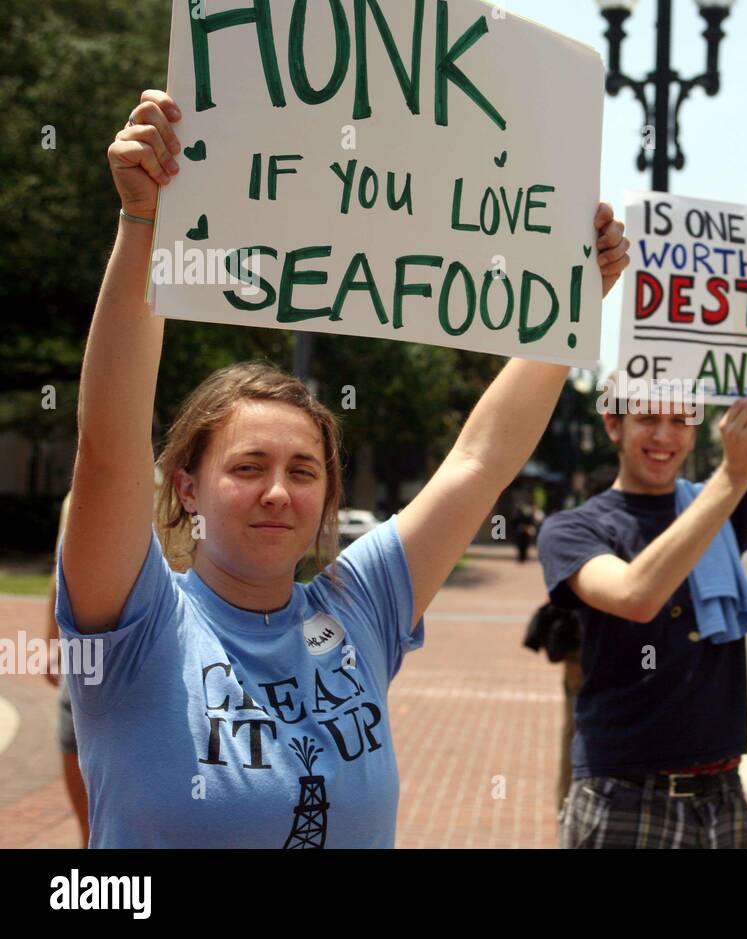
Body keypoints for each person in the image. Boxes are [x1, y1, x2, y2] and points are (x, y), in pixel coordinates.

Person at [55, 88, 629, 848]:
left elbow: (479, 461)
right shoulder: (138, 621)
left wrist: (572, 298)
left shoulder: (357, 608)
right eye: (248, 465)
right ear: (187, 485)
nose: (277, 491)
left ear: (328, 495)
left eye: (303, 470)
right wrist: (145, 225)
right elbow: (108, 444)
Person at [537, 200, 747, 849]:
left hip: (721, 799)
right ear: (614, 422)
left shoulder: (713, 502)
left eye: (681, 418)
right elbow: (636, 595)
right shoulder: (574, 528)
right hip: (626, 797)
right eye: (648, 418)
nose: (666, 435)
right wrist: (727, 478)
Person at [45, 492, 89, 847]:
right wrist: (50, 641)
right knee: (71, 737)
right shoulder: (76, 496)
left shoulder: (168, 490)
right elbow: (60, 573)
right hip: (83, 657)